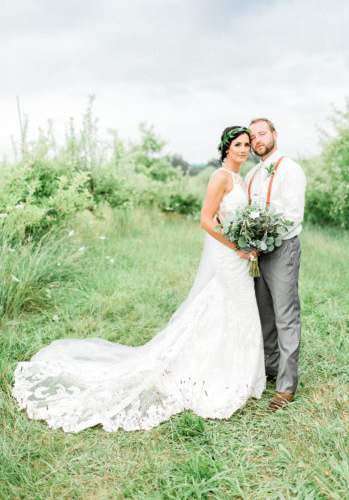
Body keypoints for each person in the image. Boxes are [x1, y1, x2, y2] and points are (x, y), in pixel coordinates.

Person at [12, 127, 266, 432]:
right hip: (228, 256)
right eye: (237, 144)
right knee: (235, 307)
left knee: (231, 310)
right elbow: (205, 221)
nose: (243, 149)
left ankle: (234, 372)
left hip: (240, 257)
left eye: (246, 145)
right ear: (226, 149)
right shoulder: (220, 177)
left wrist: (250, 239)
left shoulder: (241, 178)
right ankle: (221, 375)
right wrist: (237, 246)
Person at [244, 118, 306, 412]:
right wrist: (250, 241)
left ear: (274, 135)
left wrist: (266, 237)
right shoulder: (252, 174)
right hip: (257, 252)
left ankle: (286, 387)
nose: (257, 140)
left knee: (285, 316)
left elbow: (293, 215)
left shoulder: (291, 169)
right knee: (264, 314)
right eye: (252, 136)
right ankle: (271, 368)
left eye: (262, 134)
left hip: (282, 249)